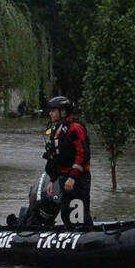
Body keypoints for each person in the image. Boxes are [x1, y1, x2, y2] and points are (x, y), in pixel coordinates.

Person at [42, 96, 92, 227]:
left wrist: (73, 177)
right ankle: (71, 236)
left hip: (78, 179)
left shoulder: (75, 128)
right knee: (65, 213)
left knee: (78, 215)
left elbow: (83, 153)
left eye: (53, 111)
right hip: (65, 178)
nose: (50, 113)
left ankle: (84, 239)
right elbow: (55, 157)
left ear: (63, 112)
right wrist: (52, 180)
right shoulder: (58, 129)